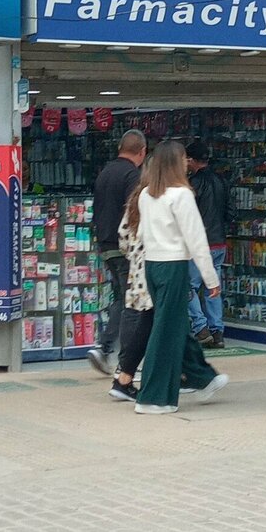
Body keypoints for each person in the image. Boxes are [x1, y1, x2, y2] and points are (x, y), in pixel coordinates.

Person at [135, 140, 229, 415]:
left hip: (153, 265)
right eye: (184, 159)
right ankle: (153, 397)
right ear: (177, 163)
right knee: (165, 331)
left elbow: (141, 236)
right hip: (174, 265)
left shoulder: (146, 195)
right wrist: (211, 279)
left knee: (173, 325)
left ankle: (204, 377)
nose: (188, 163)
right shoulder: (181, 195)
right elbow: (196, 239)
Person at [87, 129, 147, 375]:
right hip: (124, 247)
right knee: (131, 302)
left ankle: (105, 347)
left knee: (120, 298)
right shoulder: (132, 175)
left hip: (104, 244)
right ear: (142, 152)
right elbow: (133, 211)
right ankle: (122, 358)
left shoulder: (105, 172)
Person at [108, 165, 154, 403]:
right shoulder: (155, 199)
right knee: (147, 324)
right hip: (154, 270)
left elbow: (123, 235)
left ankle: (124, 375)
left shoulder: (135, 200)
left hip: (136, 271)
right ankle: (124, 376)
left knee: (138, 320)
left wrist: (133, 256)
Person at [185, 140, 233, 349]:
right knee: (214, 288)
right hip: (219, 242)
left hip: (199, 244)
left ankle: (200, 327)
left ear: (192, 160)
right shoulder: (221, 181)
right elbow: (230, 212)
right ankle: (217, 331)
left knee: (189, 287)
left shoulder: (192, 184)